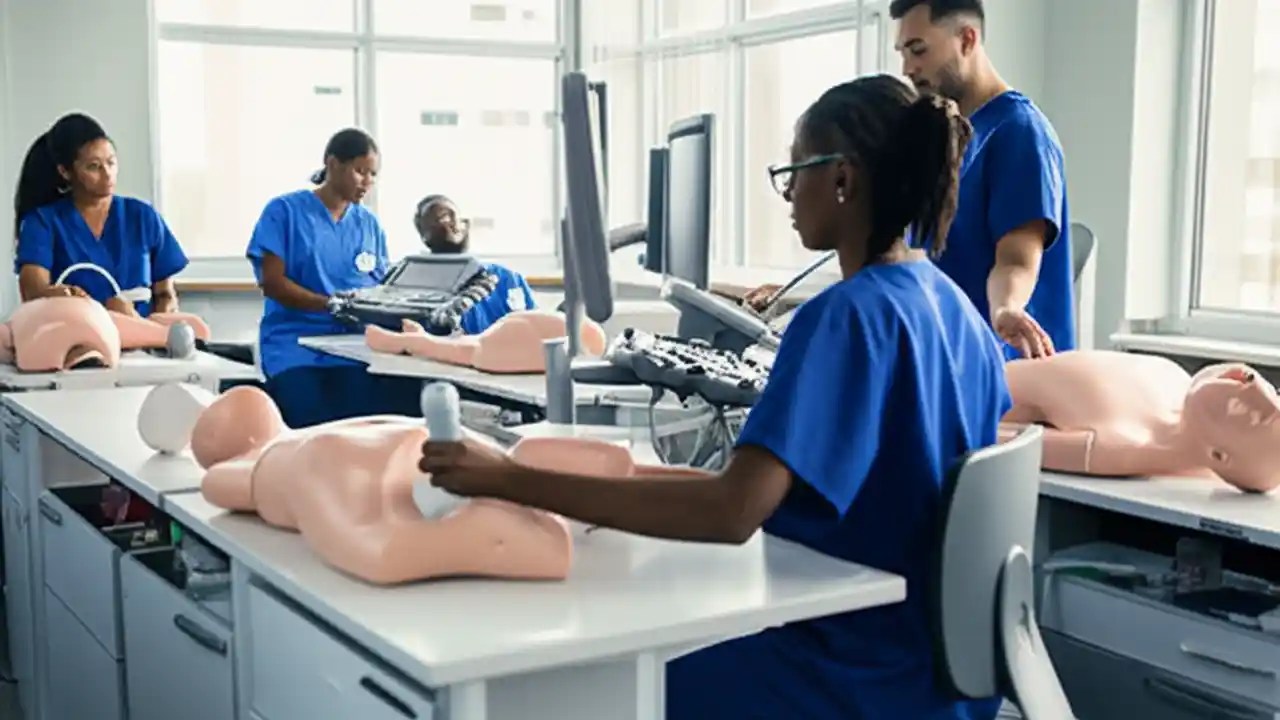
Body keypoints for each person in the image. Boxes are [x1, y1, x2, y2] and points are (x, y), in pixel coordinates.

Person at [420, 75, 1010, 720]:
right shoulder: (954, 307)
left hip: (849, 672)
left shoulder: (845, 318)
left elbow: (732, 512)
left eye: (794, 172)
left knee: (594, 690)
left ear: (842, 179)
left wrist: (509, 479)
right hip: (934, 675)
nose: (788, 195)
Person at [748, 0, 1073, 361]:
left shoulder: (1018, 132)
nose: (908, 68)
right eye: (903, 53)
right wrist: (805, 299)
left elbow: (1015, 260)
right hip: (938, 356)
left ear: (967, 40)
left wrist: (1006, 309)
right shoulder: (934, 141)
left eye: (919, 51)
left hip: (1000, 370)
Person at [246, 128, 416, 428]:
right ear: (332, 164)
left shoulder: (369, 224)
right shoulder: (284, 212)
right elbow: (272, 282)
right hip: (294, 344)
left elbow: (380, 289)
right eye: (360, 171)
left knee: (390, 410)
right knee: (310, 414)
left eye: (373, 174)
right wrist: (332, 305)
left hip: (353, 346)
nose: (368, 182)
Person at [12, 113, 188, 316]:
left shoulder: (142, 217)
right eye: (94, 167)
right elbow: (34, 293)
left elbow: (165, 294)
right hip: (78, 339)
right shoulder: (43, 223)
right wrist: (76, 302)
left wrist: (153, 330)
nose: (107, 174)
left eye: (111, 163)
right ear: (65, 171)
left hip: (144, 340)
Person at [413, 193, 537, 334]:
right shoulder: (416, 285)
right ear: (424, 235)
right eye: (442, 218)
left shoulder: (508, 278)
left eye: (454, 217)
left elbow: (537, 331)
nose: (450, 223)